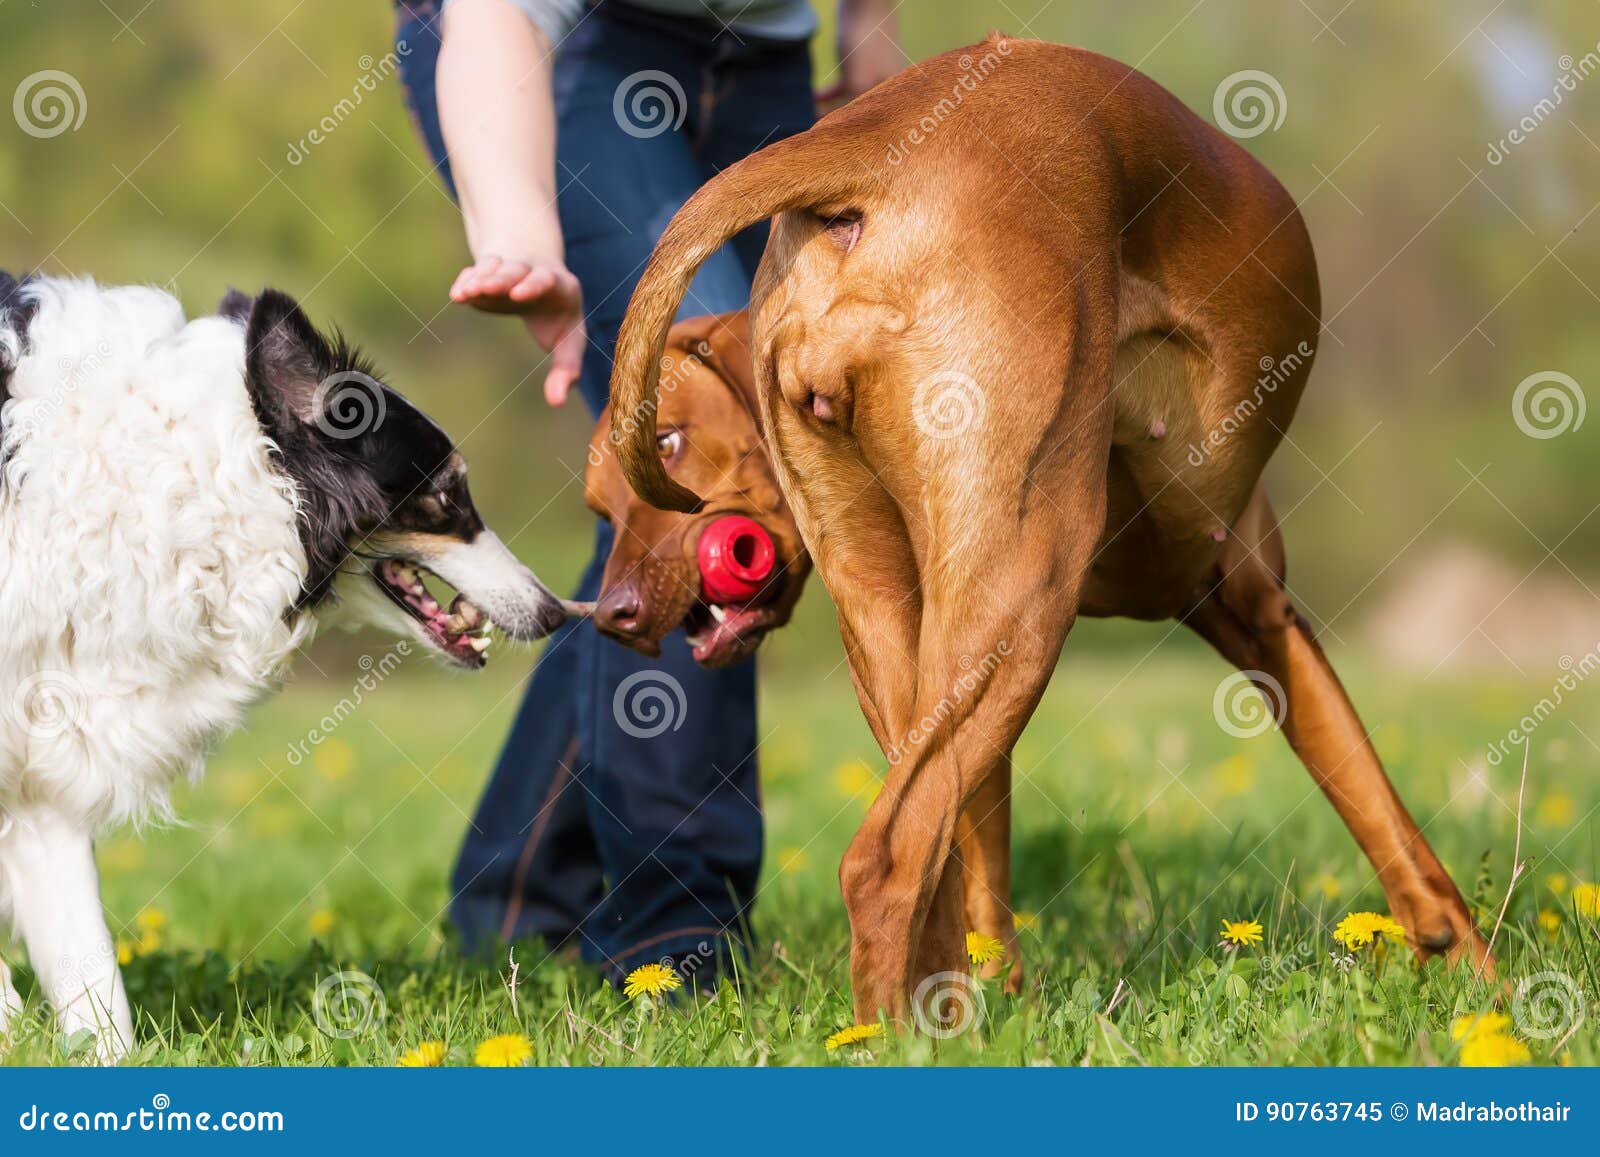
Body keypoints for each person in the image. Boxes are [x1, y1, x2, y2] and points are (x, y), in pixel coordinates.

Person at [393, 0, 903, 984]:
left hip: (764, 65)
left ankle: (518, 891)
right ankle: (673, 930)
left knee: (656, 527)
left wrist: (867, 38)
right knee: (712, 452)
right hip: (561, 59)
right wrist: (521, 231)